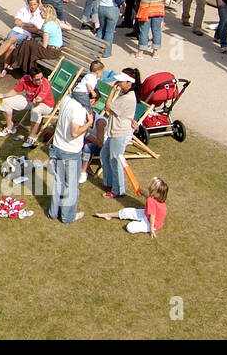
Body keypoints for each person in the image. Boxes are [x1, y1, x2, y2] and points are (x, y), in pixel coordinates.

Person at [49, 96, 93, 224]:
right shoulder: (79, 109)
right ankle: (67, 217)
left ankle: (53, 212)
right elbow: (74, 133)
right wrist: (88, 124)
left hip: (57, 146)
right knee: (71, 186)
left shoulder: (66, 100)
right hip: (70, 152)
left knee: (58, 182)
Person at [100, 69, 142, 200]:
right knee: (104, 155)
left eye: (121, 81)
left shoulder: (128, 97)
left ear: (129, 83)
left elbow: (107, 107)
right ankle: (109, 183)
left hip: (120, 133)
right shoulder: (125, 92)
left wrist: (112, 91)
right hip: (114, 131)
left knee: (115, 160)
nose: (118, 82)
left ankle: (118, 190)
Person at [0, 4, 62, 77]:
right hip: (56, 51)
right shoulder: (56, 21)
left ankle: (19, 64)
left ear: (46, 13)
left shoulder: (47, 26)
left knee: (28, 45)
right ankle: (20, 65)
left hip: (50, 51)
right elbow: (66, 27)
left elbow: (44, 46)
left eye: (42, 11)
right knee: (28, 44)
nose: (40, 13)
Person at [95, 177, 169, 237]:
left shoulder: (151, 200)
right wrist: (144, 194)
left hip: (153, 223)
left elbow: (153, 215)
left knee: (130, 227)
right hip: (147, 214)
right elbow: (151, 203)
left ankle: (139, 222)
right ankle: (108, 215)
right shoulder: (157, 198)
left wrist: (151, 228)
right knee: (126, 211)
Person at [0, 0, 43, 71]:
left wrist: (22, 24)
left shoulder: (40, 14)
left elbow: (36, 29)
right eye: (31, 5)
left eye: (35, 4)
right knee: (10, 47)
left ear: (38, 3)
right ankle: (5, 69)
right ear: (28, 4)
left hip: (25, 34)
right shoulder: (23, 10)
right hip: (15, 30)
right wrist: (28, 25)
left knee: (11, 39)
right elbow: (17, 22)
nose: (33, 6)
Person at [0, 67, 54, 142]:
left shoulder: (45, 83)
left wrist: (37, 101)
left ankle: (31, 137)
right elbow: (15, 91)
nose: (40, 81)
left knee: (36, 110)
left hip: (45, 105)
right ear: (30, 78)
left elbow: (40, 98)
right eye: (37, 79)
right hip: (30, 100)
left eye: (41, 78)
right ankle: (10, 127)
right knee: (4, 101)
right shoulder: (25, 79)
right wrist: (3, 96)